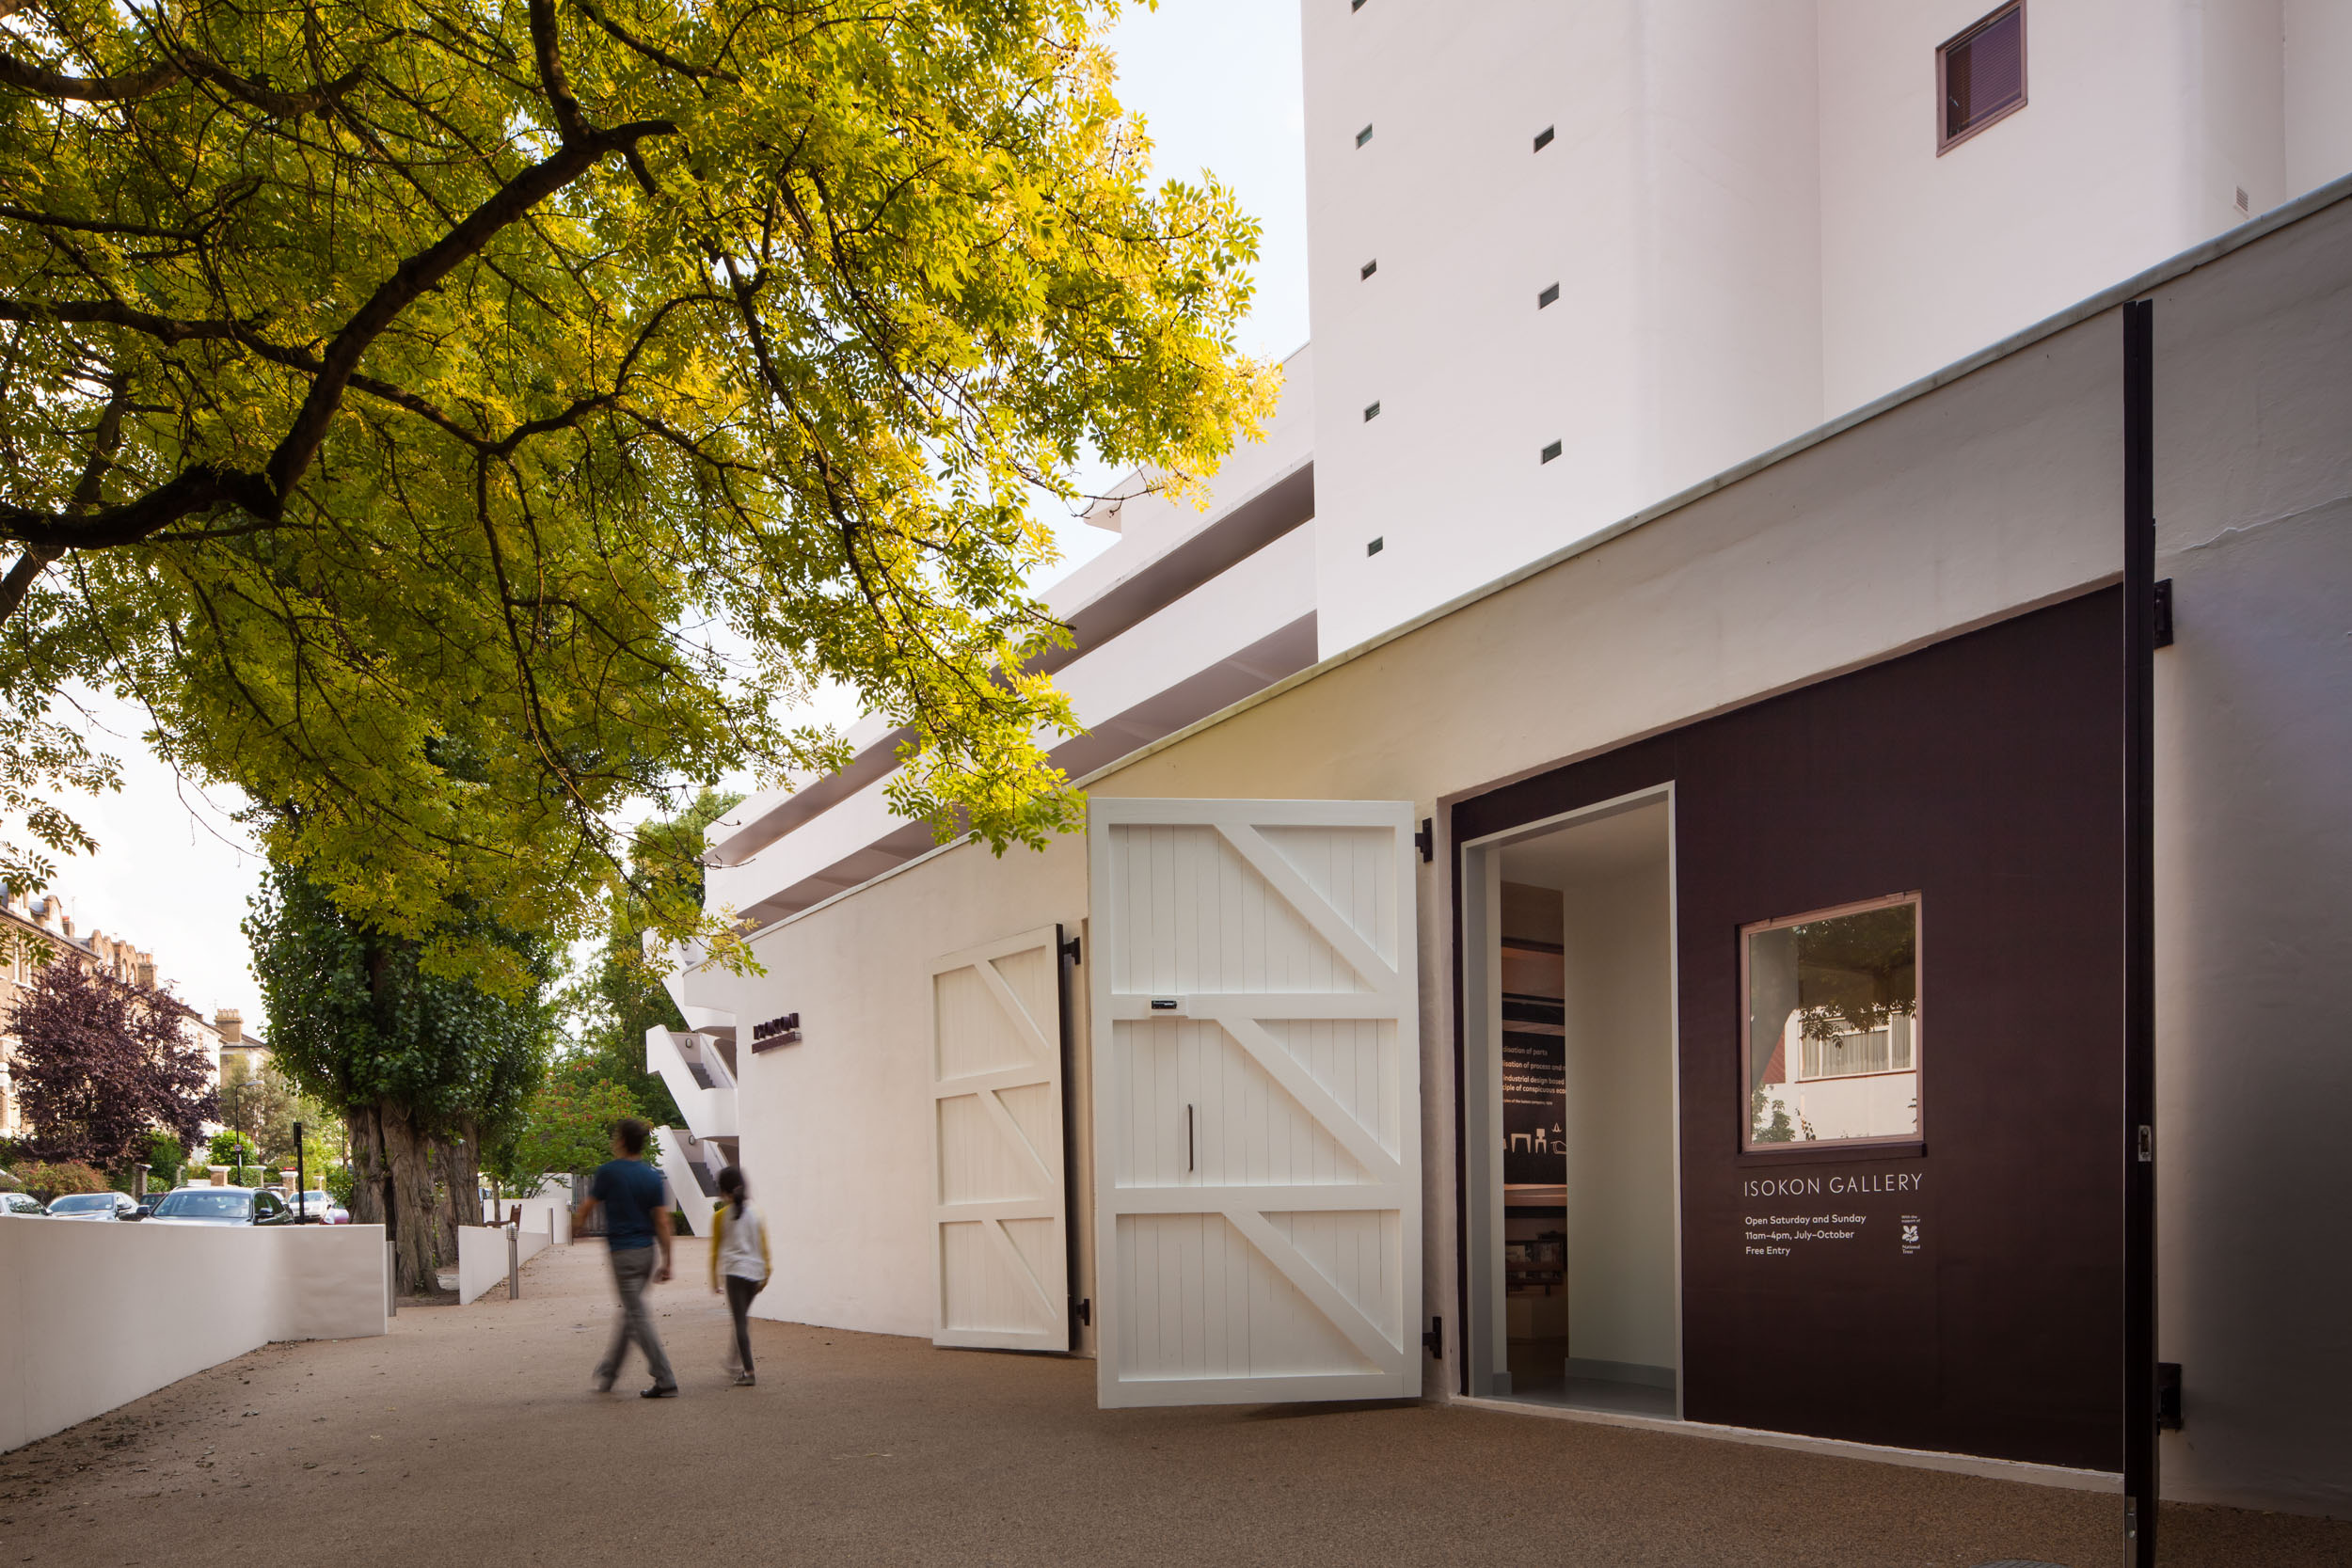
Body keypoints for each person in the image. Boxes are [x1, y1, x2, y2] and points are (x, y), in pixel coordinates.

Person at [576, 1117, 678, 1398]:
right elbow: (662, 1221)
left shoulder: (608, 1172)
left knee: (636, 1314)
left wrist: (578, 1228)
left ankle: (665, 1377)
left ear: (621, 1141)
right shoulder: (651, 1176)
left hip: (622, 1254)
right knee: (632, 1313)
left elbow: (586, 1207)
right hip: (646, 1254)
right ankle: (608, 1373)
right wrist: (668, 1260)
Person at [708, 1165, 771, 1386]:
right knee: (741, 1320)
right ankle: (733, 1361)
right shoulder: (756, 1214)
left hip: (735, 1273)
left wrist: (714, 1280)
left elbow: (715, 1251)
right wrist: (767, 1273)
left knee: (740, 1322)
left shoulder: (720, 1217)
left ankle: (748, 1370)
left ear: (723, 1191)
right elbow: (763, 1246)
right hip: (755, 1273)